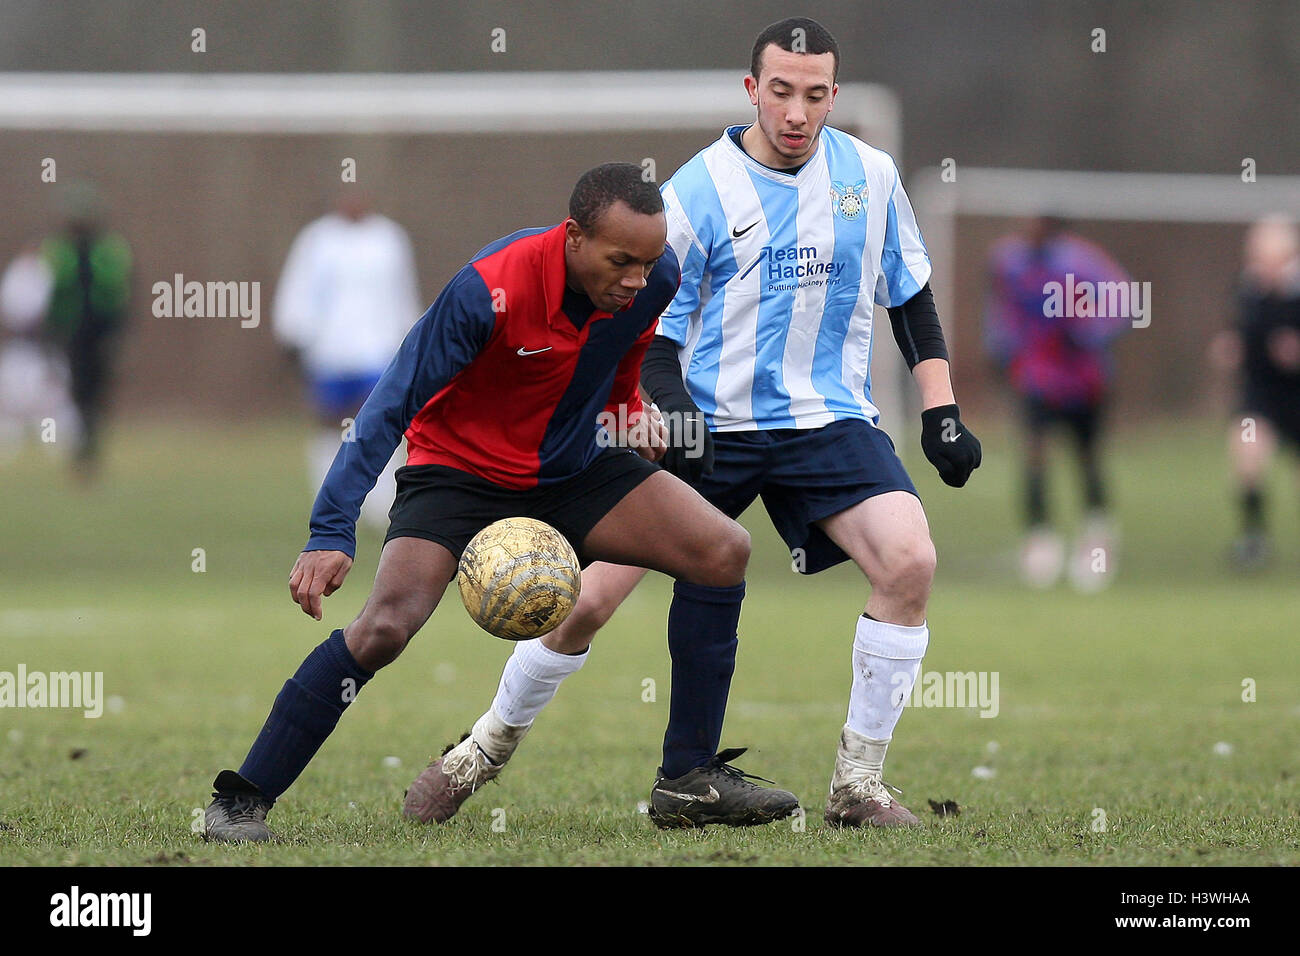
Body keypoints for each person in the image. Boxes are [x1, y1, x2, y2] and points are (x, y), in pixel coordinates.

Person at [404, 18, 981, 831]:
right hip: (708, 423)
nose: (796, 112)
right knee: (585, 599)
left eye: (814, 96)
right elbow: (648, 335)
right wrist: (665, 414)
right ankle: (480, 751)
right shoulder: (697, 191)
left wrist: (942, 409)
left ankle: (858, 787)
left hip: (828, 420)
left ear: (833, 98)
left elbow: (911, 295)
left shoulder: (871, 175)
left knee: (910, 560)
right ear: (752, 90)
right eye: (780, 92)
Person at [203, 163, 798, 843]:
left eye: (649, 260)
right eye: (621, 260)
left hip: (573, 467)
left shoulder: (653, 281)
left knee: (722, 550)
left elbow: (624, 349)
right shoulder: (489, 290)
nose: (637, 277)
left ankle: (689, 779)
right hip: (457, 475)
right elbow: (388, 406)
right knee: (385, 627)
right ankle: (239, 802)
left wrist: (628, 408)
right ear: (573, 238)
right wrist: (331, 528)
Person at [985, 215, 1130, 591]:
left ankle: (1097, 540)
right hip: (1038, 380)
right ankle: (1039, 541)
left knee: (1087, 458)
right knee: (1034, 455)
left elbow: (1126, 302)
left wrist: (1090, 331)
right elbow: (1004, 312)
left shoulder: (1083, 263)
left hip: (1084, 382)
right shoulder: (1010, 263)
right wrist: (1003, 349)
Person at [272, 190, 423, 528]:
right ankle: (326, 499)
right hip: (328, 350)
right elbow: (298, 287)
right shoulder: (316, 239)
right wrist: (292, 331)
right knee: (329, 423)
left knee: (380, 422)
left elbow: (403, 291)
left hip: (378, 349)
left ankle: (381, 503)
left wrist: (412, 335)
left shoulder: (389, 239)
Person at [1209, 216, 1300, 569]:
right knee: (1247, 452)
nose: (1263, 265)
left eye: (1271, 258)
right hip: (1260, 391)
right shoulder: (1247, 288)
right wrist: (1229, 346)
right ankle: (1253, 537)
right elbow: (1237, 330)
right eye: (1257, 257)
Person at [41, 183, 132, 478]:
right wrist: (51, 333)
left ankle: (90, 451)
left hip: (100, 332)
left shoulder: (109, 249)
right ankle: (80, 450)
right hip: (71, 332)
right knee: (76, 392)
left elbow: (121, 295)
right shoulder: (59, 251)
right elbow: (51, 294)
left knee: (96, 393)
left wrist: (117, 334)